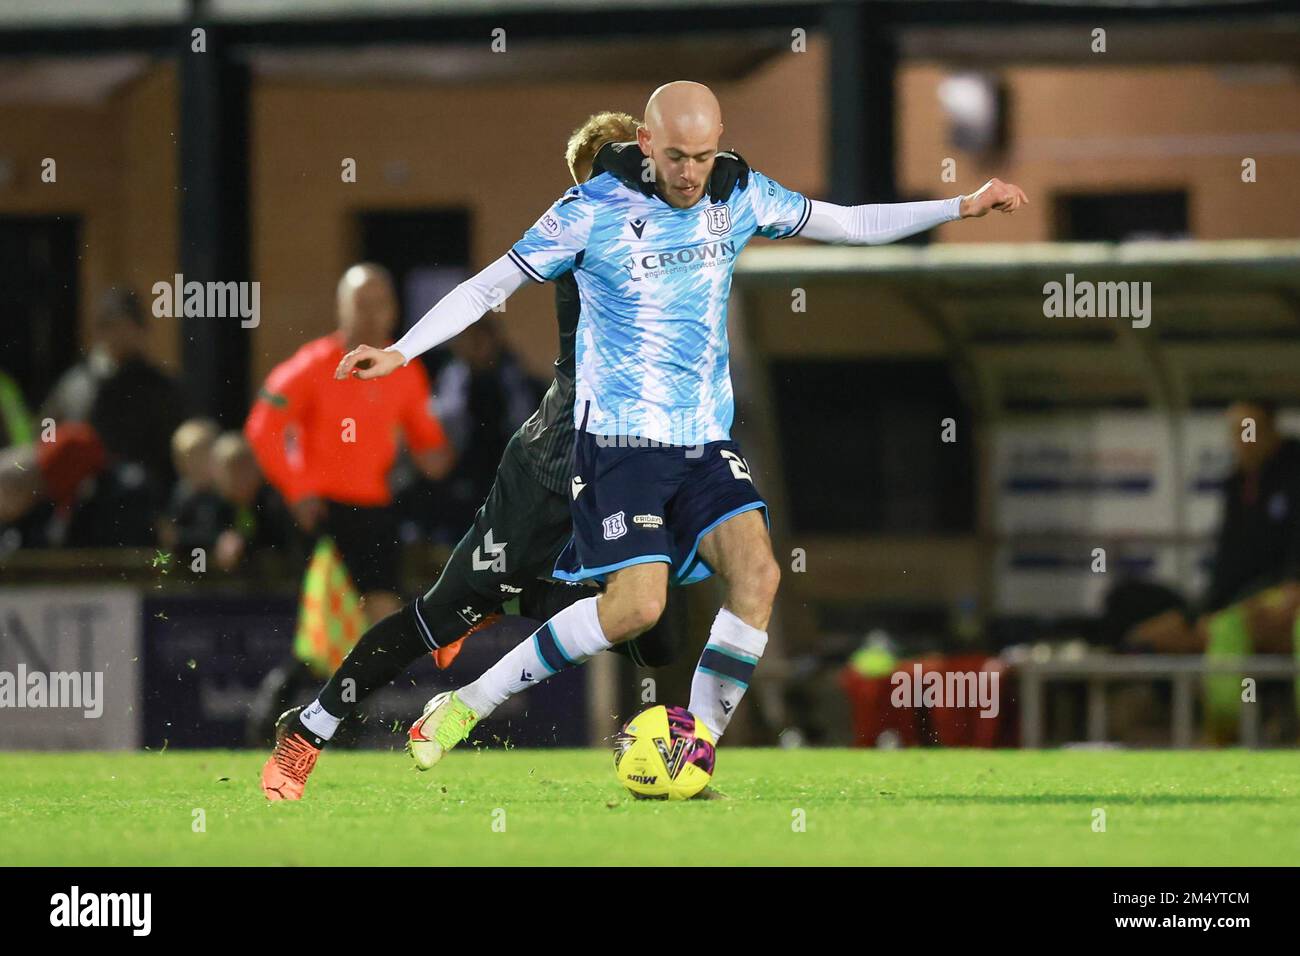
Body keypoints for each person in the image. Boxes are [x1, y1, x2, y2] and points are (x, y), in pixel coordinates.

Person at [331, 81, 1027, 779]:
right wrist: (400, 353)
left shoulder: (740, 193)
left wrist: (960, 206)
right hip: (620, 447)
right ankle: (469, 703)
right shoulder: (592, 209)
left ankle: (693, 751)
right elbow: (489, 287)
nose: (691, 172)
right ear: (645, 145)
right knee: (637, 611)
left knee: (758, 575)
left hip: (703, 442)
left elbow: (845, 222)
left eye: (702, 155)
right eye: (676, 157)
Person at [261, 110, 743, 800]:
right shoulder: (586, 229)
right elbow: (485, 289)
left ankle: (520, 596)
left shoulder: (681, 225)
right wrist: (402, 353)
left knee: (661, 636)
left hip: (631, 464)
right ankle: (309, 728)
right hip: (551, 470)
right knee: (432, 618)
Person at [244, 263, 454, 624]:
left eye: (380, 303)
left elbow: (428, 442)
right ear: (341, 308)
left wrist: (440, 457)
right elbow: (263, 427)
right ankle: (303, 682)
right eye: (361, 303)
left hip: (375, 508)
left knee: (383, 615)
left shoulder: (404, 368)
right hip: (321, 512)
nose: (372, 314)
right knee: (326, 628)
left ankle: (367, 682)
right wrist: (298, 490)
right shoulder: (312, 364)